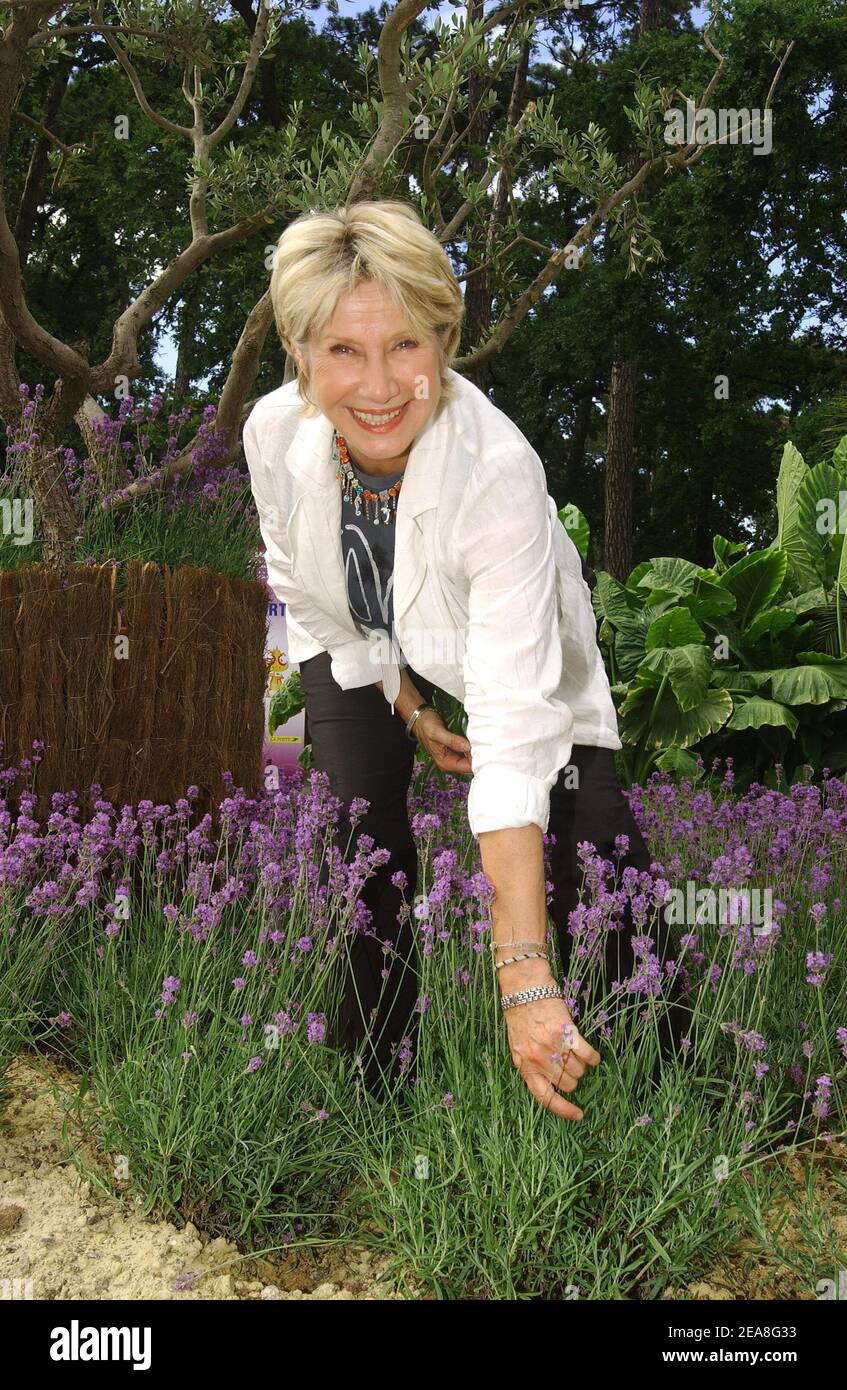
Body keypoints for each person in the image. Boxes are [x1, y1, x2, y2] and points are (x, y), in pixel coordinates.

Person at [243, 200, 685, 1118]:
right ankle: (372, 1084)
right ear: (297, 352)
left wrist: (521, 973)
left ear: (444, 339)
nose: (377, 385)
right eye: (341, 351)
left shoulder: (496, 472)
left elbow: (518, 723)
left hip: (506, 639)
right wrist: (408, 706)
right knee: (361, 837)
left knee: (593, 842)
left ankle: (665, 1078)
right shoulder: (270, 435)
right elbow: (307, 590)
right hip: (353, 637)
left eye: (405, 345)